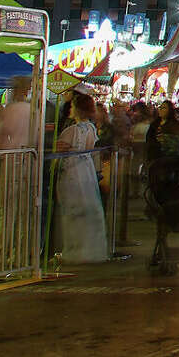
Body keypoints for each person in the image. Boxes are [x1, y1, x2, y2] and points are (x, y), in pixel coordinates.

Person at [53, 91, 109, 263]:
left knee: (72, 211)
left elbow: (60, 152)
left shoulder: (72, 130)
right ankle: (85, 248)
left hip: (72, 172)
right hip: (87, 172)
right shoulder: (92, 129)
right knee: (85, 209)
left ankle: (73, 248)